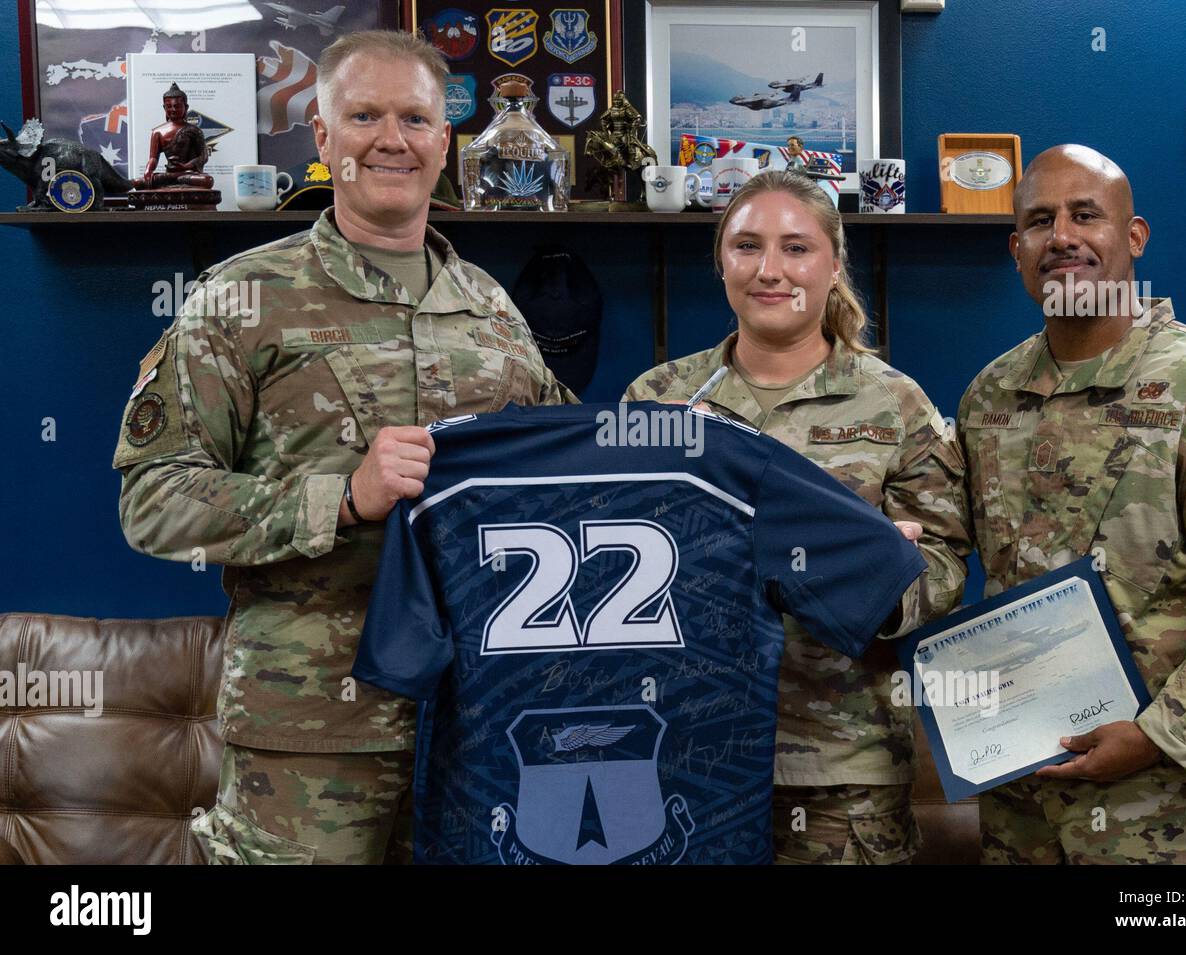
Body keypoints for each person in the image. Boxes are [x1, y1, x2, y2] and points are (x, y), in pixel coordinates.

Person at [113, 30, 576, 865]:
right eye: (363, 115)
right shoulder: (240, 299)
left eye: (414, 118)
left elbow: (569, 469)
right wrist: (341, 496)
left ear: (444, 141)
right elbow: (153, 500)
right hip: (311, 734)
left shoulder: (494, 309)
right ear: (323, 138)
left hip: (481, 723)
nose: (390, 139)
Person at [959, 143, 1186, 864]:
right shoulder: (989, 398)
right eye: (1040, 221)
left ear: (1134, 236)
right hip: (1022, 798)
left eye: (1087, 215)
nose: (1062, 238)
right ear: (1015, 246)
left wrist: (1154, 736)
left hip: (1167, 811)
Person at [623, 169, 973, 864]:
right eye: (747, 246)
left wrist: (874, 571)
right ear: (721, 260)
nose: (770, 270)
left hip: (843, 764)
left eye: (796, 248)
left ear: (833, 265)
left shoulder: (894, 404)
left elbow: (945, 569)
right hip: (687, 747)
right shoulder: (658, 400)